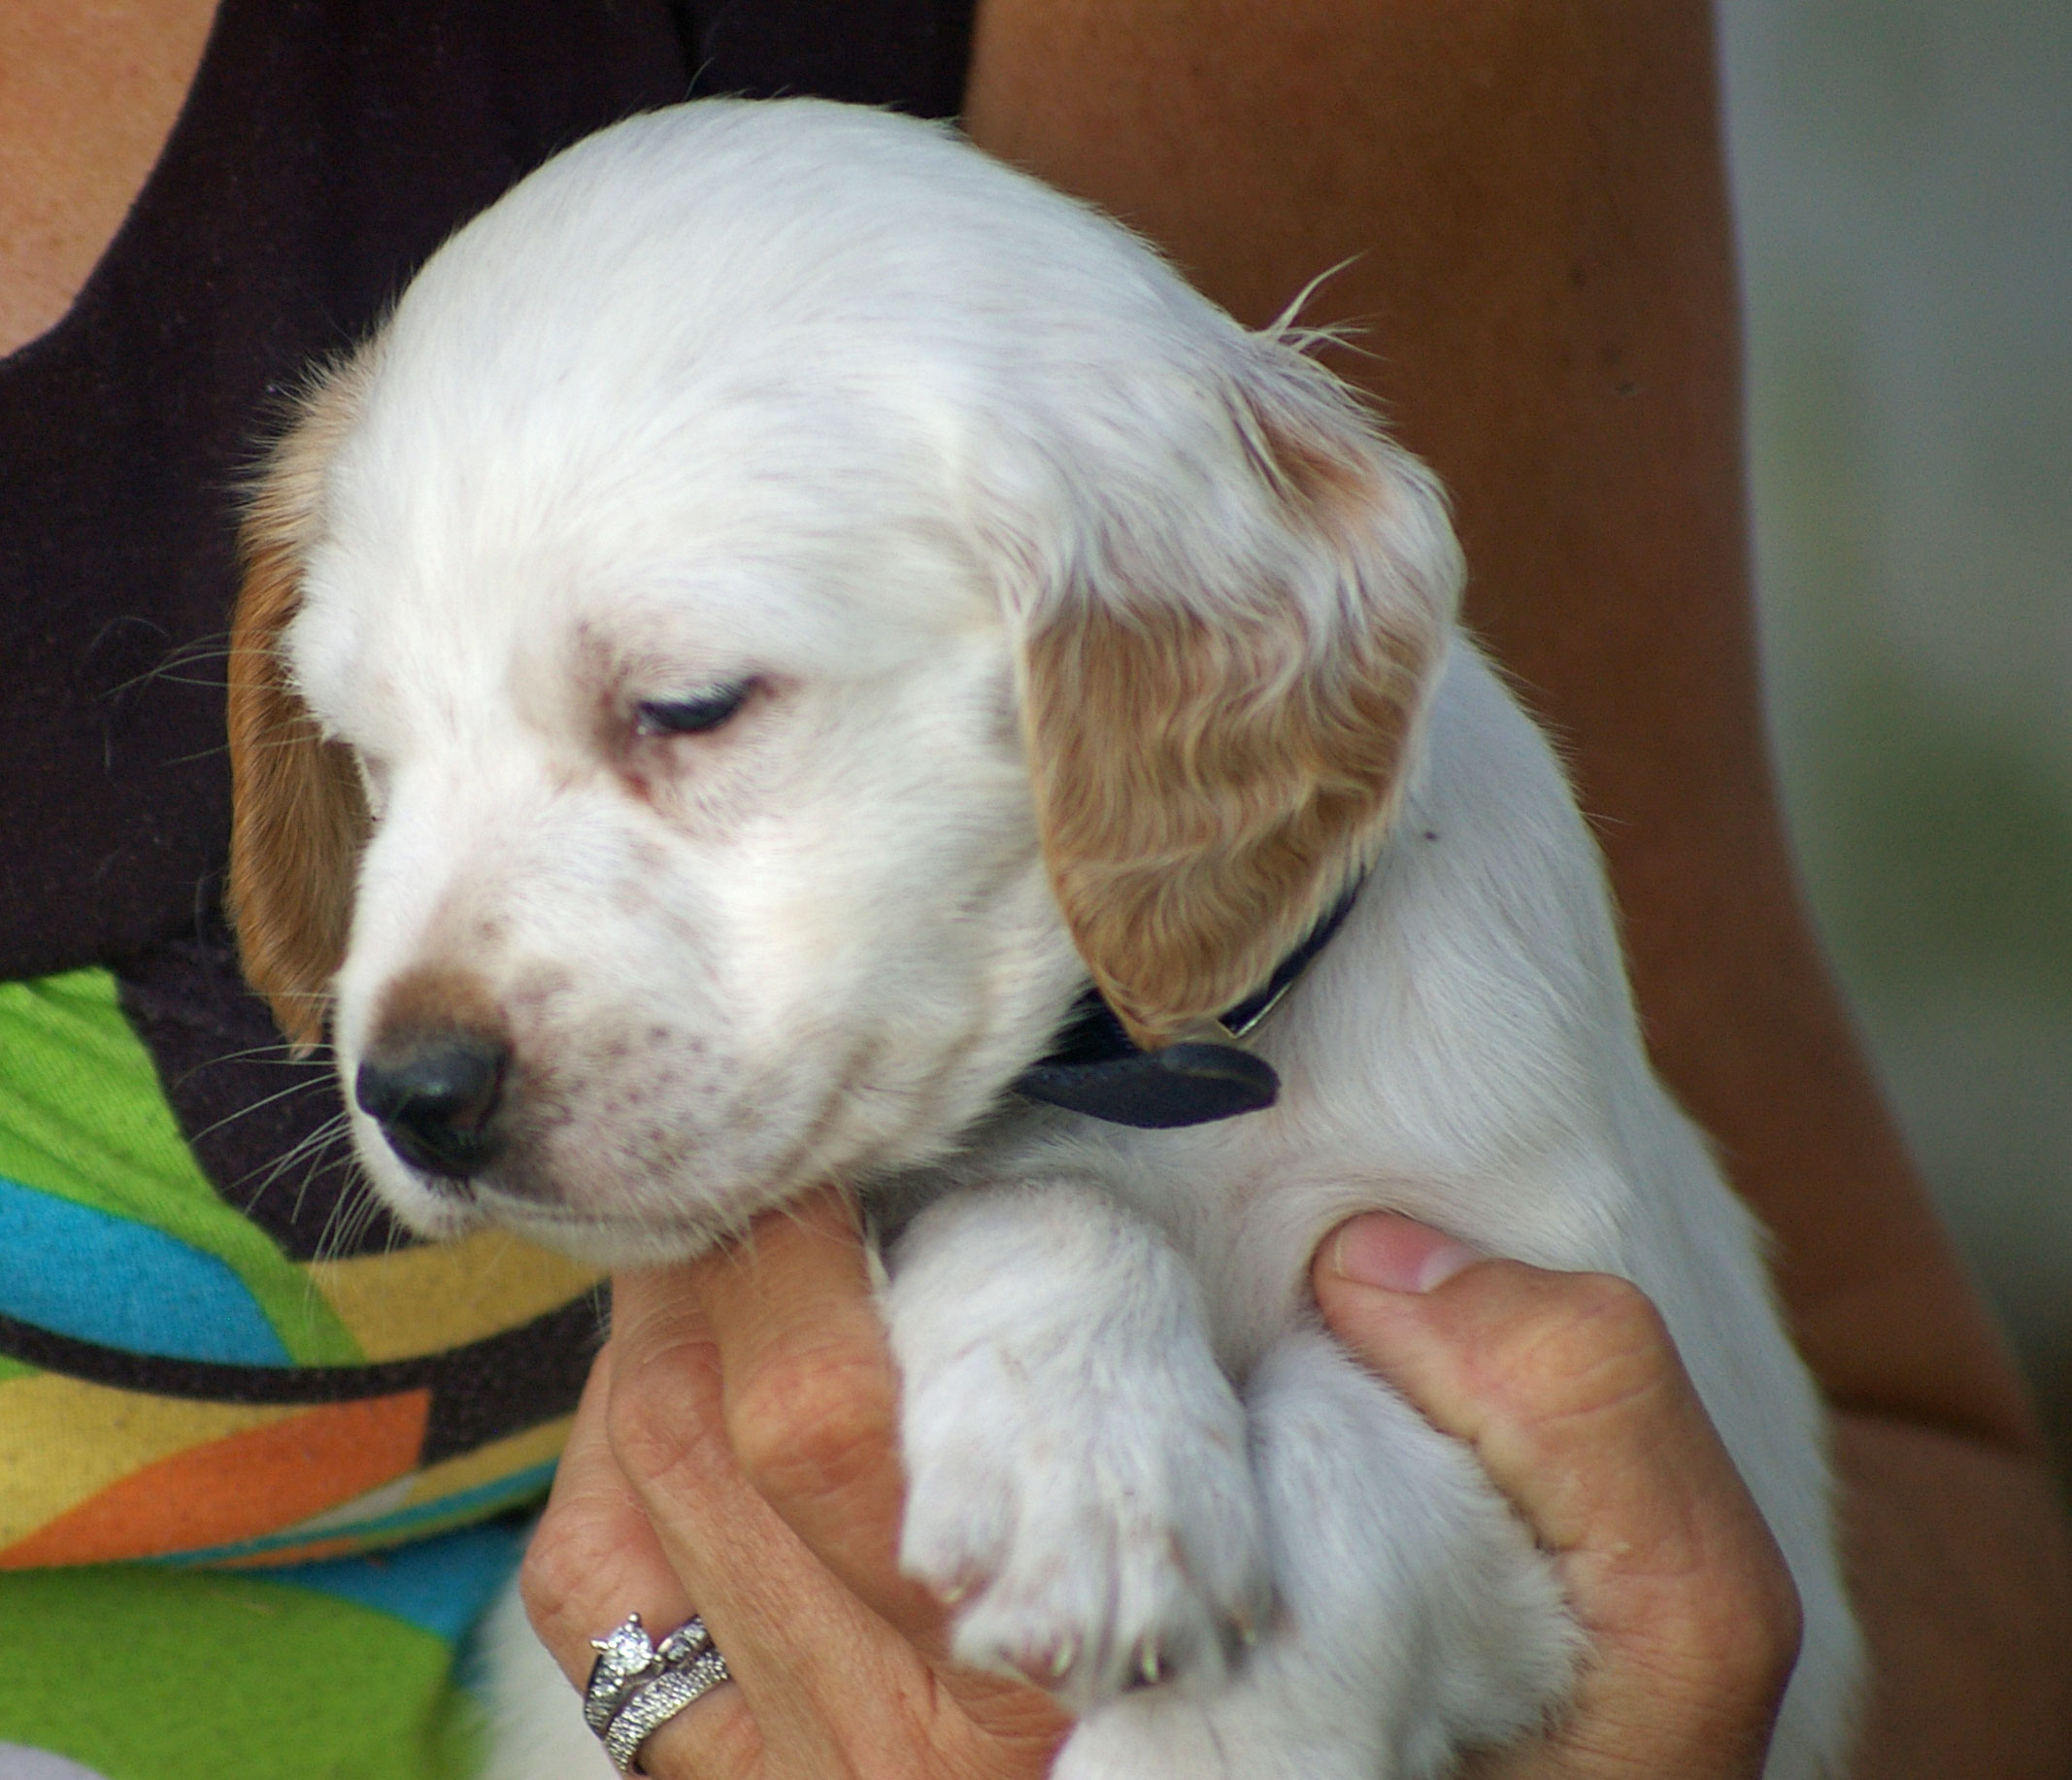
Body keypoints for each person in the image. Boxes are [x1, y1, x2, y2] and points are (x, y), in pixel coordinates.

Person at [0, 4, 2064, 1779]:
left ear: (1168, 648)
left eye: (687, 709)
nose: (415, 1029)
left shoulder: (1365, 856)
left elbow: (1682, 1507)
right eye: (379, 737)